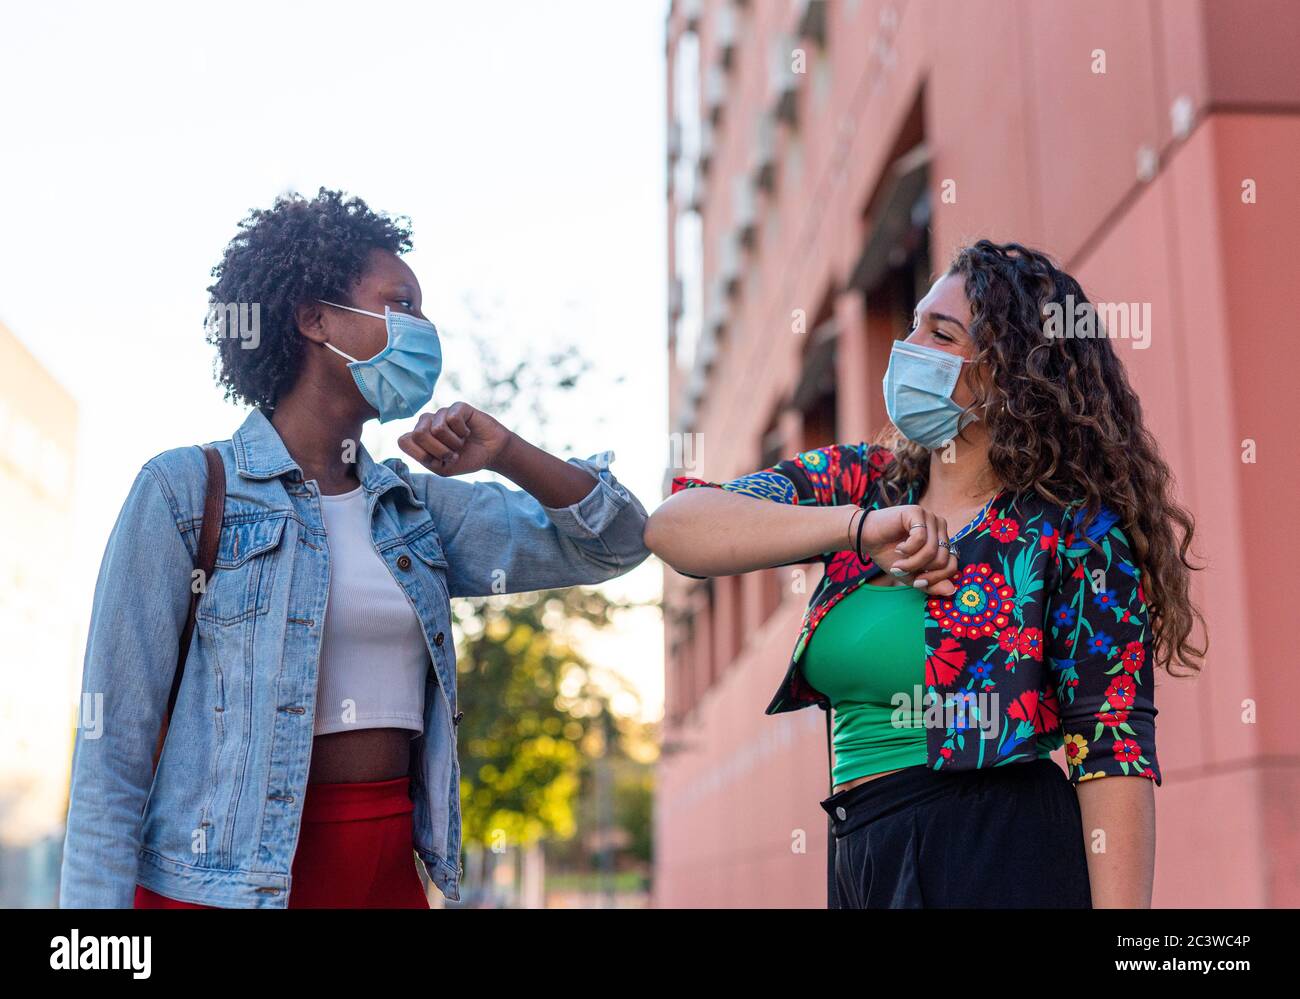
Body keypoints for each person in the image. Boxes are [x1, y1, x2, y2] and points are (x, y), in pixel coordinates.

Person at [58, 188, 650, 908]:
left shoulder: (415, 508)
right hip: (219, 887)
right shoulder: (184, 491)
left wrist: (506, 451)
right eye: (401, 303)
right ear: (313, 318)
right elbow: (111, 755)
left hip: (384, 877)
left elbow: (616, 544)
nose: (424, 329)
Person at [645, 239, 1205, 908]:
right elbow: (676, 527)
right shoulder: (866, 484)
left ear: (1010, 373)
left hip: (994, 848)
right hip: (862, 849)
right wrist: (855, 528)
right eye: (913, 322)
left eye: (940, 333)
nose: (907, 346)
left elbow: (1111, 740)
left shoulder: (1075, 527)